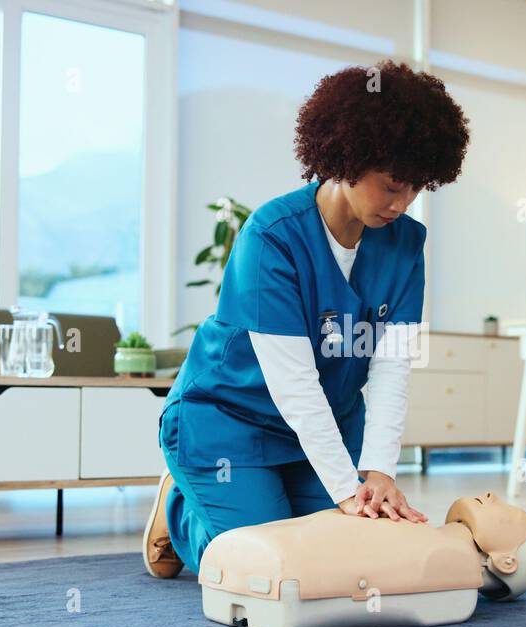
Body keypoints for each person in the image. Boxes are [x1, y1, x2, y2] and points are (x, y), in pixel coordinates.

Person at [144, 59, 471, 578]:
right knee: (267, 569)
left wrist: (378, 473)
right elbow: (294, 383)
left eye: (415, 187)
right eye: (391, 185)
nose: (403, 203)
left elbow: (392, 368)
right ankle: (180, 512)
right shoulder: (272, 236)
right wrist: (346, 490)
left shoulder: (406, 244)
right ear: (347, 160)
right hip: (229, 422)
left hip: (330, 427)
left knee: (344, 560)